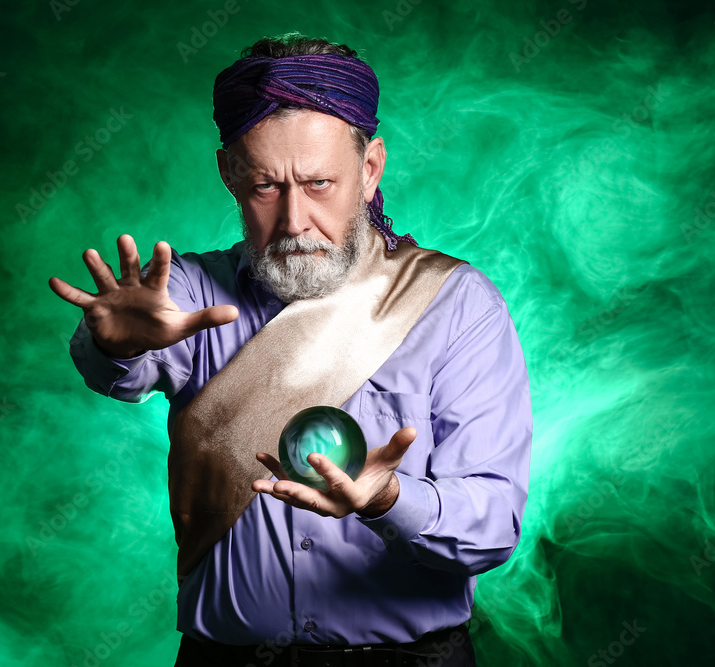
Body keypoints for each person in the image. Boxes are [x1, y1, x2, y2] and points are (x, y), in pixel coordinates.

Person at [49, 33, 532, 667]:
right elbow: (123, 370)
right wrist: (110, 344)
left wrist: (388, 500)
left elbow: (493, 527)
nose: (295, 219)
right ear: (229, 174)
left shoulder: (456, 304)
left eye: (320, 182)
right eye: (266, 187)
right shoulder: (191, 292)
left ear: (370, 170)